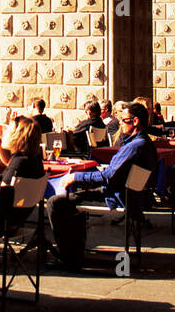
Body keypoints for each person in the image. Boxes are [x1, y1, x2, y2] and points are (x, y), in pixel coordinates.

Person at [46, 102, 158, 269]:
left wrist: (76, 176)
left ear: (135, 122)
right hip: (131, 195)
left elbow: (108, 176)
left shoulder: (134, 146)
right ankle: (75, 248)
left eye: (123, 120)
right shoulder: (146, 143)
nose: (119, 123)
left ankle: (68, 256)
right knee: (69, 198)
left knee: (56, 202)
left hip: (116, 196)